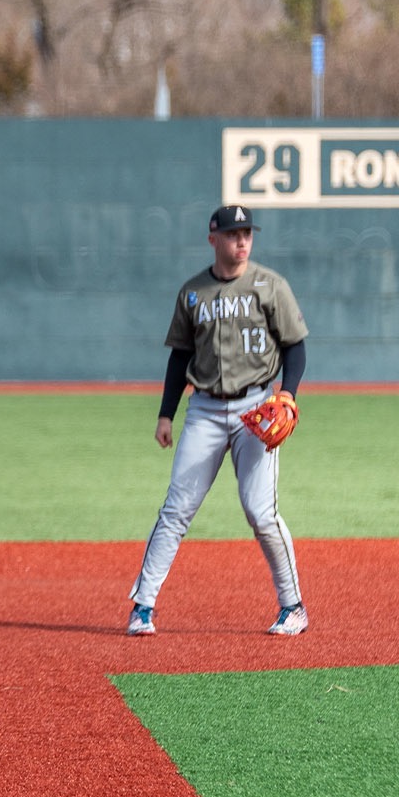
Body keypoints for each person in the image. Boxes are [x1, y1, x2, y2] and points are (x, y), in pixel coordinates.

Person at [127, 204, 308, 636]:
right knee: (176, 509)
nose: (242, 241)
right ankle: (142, 606)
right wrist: (166, 413)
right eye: (232, 234)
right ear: (214, 239)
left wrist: (288, 393)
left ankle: (294, 607)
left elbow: (295, 347)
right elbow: (180, 356)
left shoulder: (270, 286)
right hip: (205, 410)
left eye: (247, 233)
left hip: (257, 407)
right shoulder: (193, 293)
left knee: (260, 512)